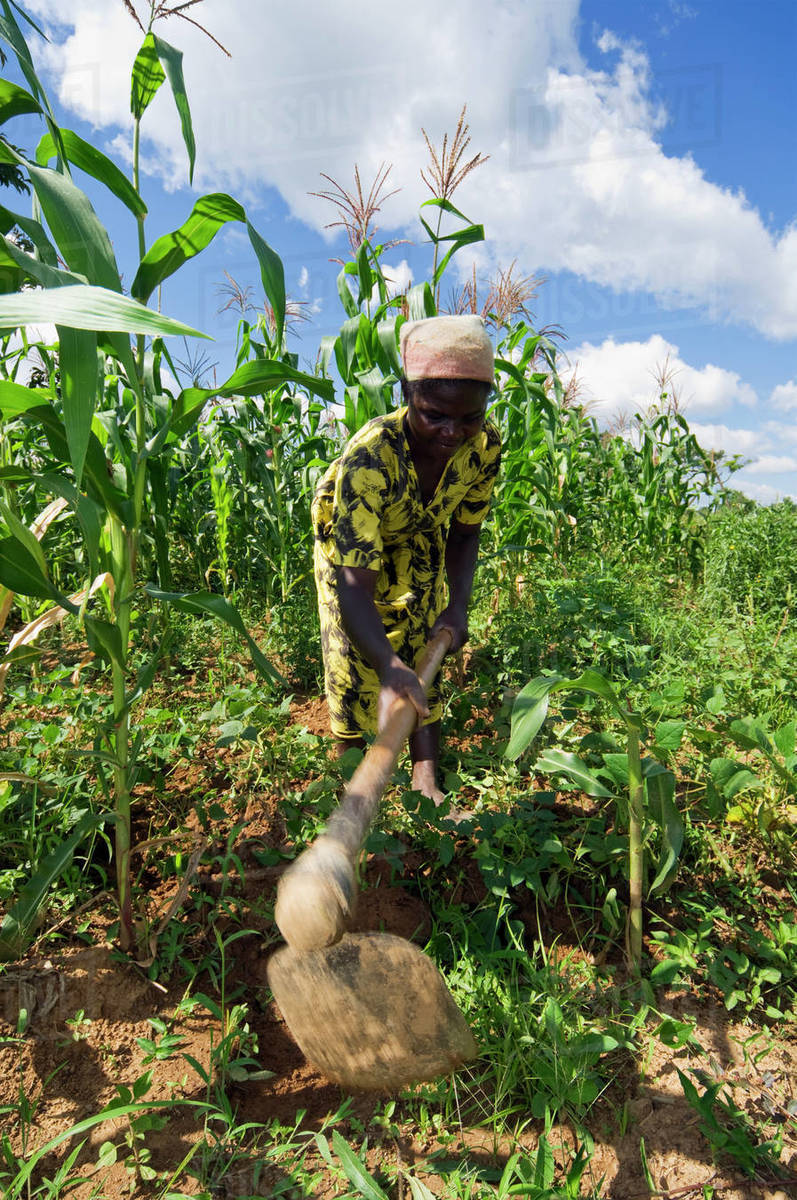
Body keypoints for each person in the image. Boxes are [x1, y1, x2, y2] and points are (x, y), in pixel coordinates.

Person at [312, 314, 501, 803]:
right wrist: (387, 666)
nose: (452, 431)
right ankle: (351, 773)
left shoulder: (484, 449)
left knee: (422, 638)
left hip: (423, 533)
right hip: (355, 545)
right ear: (407, 395)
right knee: (354, 658)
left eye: (469, 417)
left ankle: (425, 779)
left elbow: (464, 533)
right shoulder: (371, 457)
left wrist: (457, 605)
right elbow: (355, 587)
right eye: (434, 414)